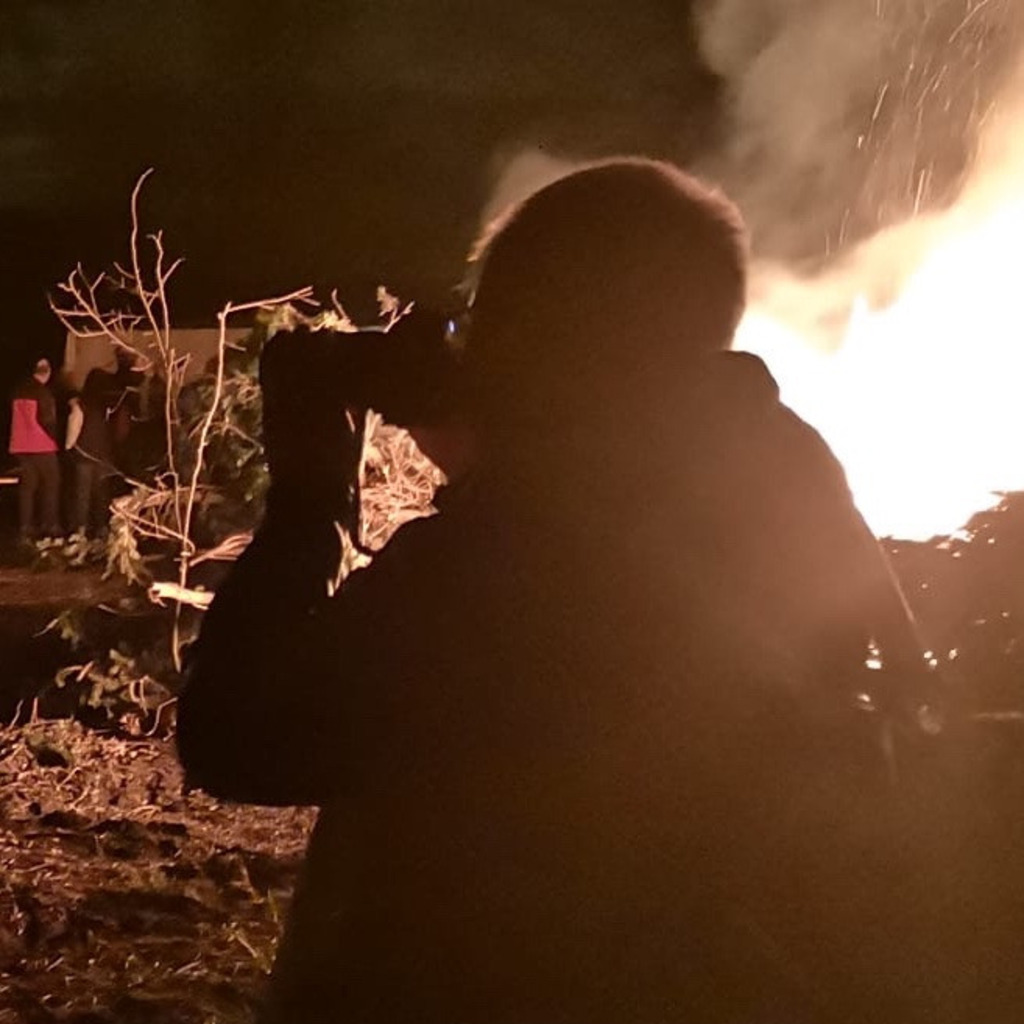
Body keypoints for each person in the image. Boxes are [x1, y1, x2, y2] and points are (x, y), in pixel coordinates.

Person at [178, 160, 940, 1023]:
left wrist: (310, 496)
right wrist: (493, 459)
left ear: (541, 339)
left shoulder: (503, 566)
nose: (470, 350)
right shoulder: (781, 482)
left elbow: (237, 737)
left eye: (485, 322)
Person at [8, 357, 61, 541]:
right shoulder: (43, 393)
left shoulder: (18, 391)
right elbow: (48, 421)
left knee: (28, 488)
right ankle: (50, 524)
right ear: (48, 373)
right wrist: (55, 440)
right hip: (42, 445)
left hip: (21, 446)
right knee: (51, 483)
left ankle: (25, 526)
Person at [66, 367, 120, 538]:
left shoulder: (81, 405)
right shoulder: (108, 407)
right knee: (101, 494)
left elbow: (74, 430)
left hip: (84, 455)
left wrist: (68, 447)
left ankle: (80, 530)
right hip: (103, 456)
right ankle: (102, 528)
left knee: (82, 495)